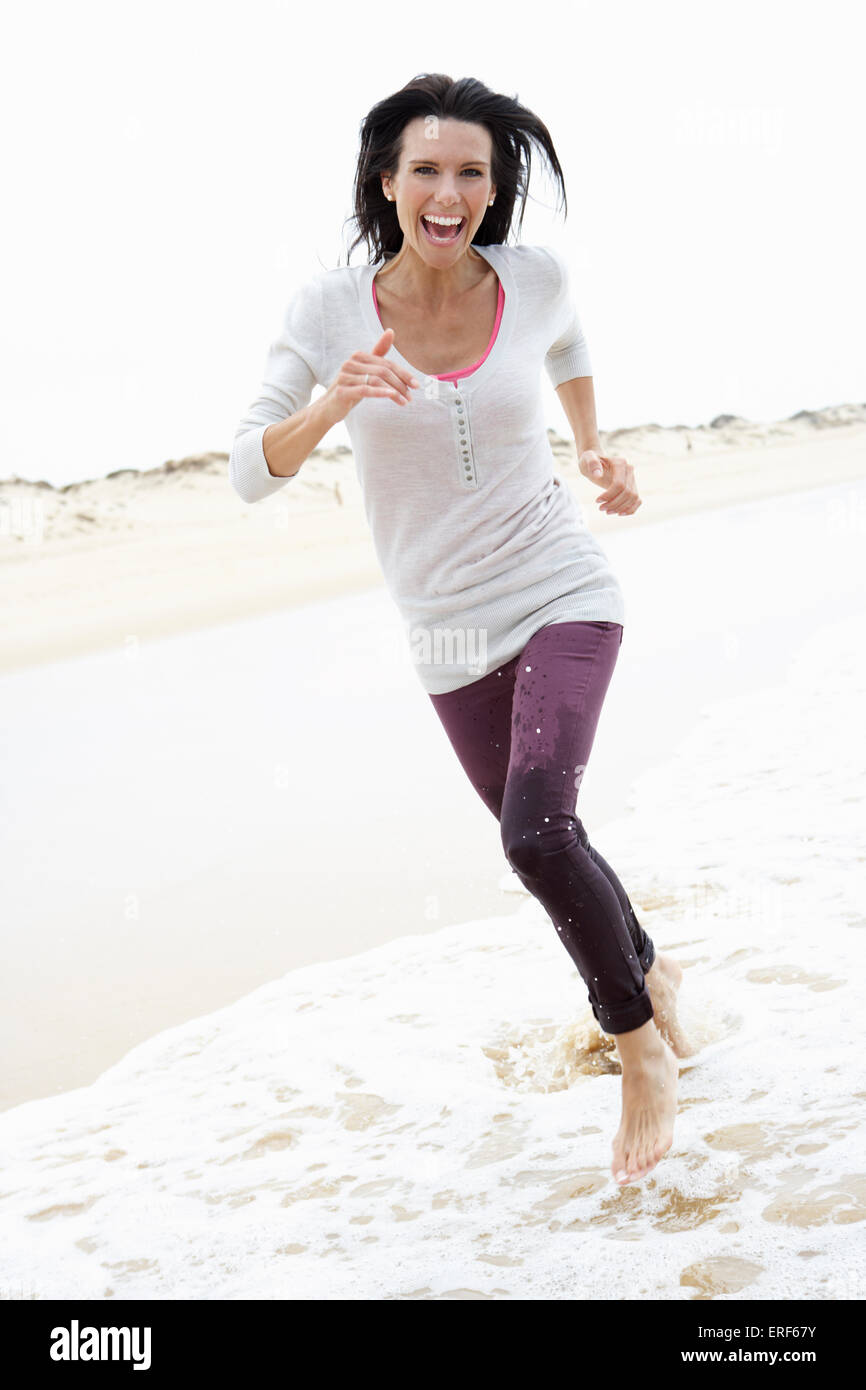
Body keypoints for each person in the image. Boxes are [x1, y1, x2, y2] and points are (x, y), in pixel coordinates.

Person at [229, 72, 695, 1186]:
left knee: (535, 830)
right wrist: (332, 403)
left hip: (557, 580)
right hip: (442, 626)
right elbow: (251, 471)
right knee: (550, 840)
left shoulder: (530, 280)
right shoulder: (326, 310)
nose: (449, 192)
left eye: (471, 173)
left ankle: (636, 1045)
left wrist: (593, 448)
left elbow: (569, 342)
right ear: (386, 184)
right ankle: (653, 971)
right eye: (426, 170)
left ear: (495, 189)